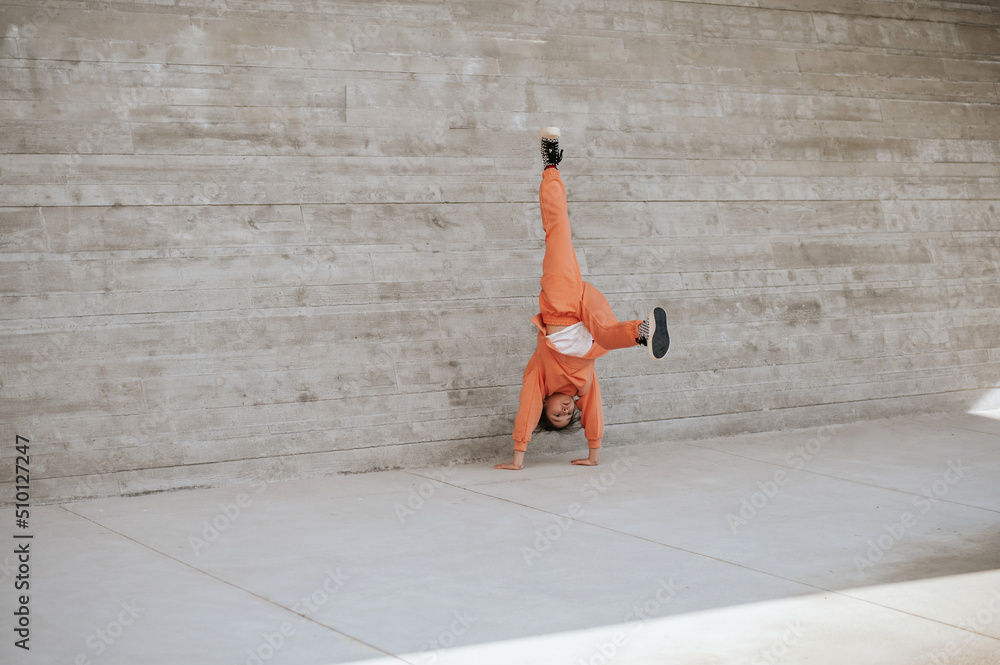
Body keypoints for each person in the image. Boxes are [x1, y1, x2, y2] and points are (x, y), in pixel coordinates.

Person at [494, 128, 670, 471]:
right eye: (566, 417)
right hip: (590, 318)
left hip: (562, 304)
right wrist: (593, 454)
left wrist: (518, 456)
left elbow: (526, 408)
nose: (565, 412)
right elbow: (595, 411)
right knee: (605, 337)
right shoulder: (583, 387)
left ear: (546, 406)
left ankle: (550, 165)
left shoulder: (539, 378)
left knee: (558, 231)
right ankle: (644, 331)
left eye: (556, 416)